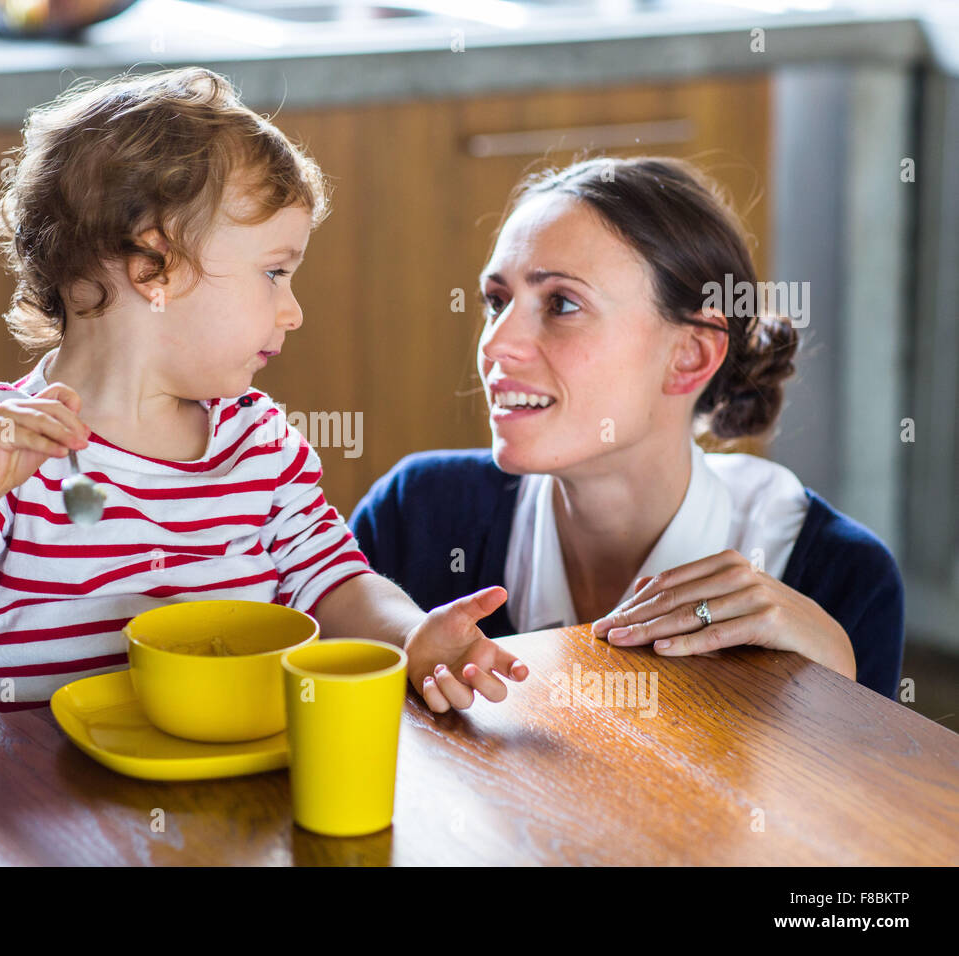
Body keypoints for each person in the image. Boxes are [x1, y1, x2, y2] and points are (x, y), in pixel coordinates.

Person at [0, 66, 526, 713]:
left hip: (241, 790)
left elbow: (339, 583)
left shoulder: (257, 440)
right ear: (156, 267)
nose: (292, 311)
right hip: (53, 808)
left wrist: (411, 638)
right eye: (274, 273)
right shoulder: (1, 444)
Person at [350, 156, 904, 712]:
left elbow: (867, 798)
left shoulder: (837, 575)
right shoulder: (413, 516)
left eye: (561, 304)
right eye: (497, 301)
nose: (495, 344)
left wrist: (839, 703)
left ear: (690, 354)